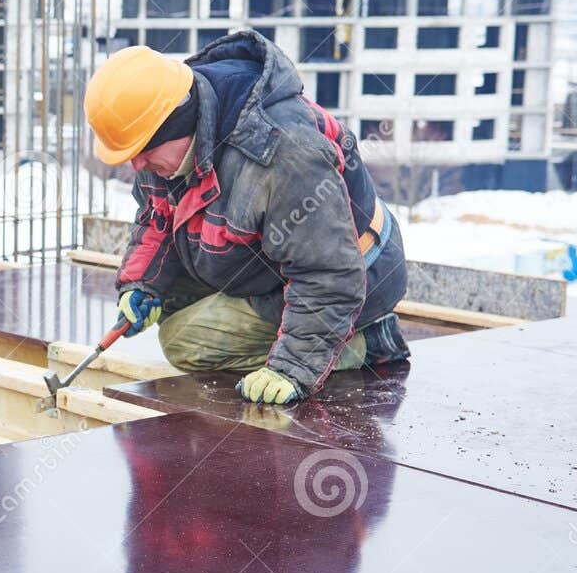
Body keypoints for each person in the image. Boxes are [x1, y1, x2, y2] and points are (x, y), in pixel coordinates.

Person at [84, 31, 410, 404]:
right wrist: (143, 284)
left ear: (177, 124)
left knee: (184, 342)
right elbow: (158, 213)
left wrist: (292, 367)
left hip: (360, 272)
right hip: (274, 260)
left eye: (142, 151)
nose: (135, 163)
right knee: (170, 300)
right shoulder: (165, 131)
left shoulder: (282, 155)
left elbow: (327, 273)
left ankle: (364, 345)